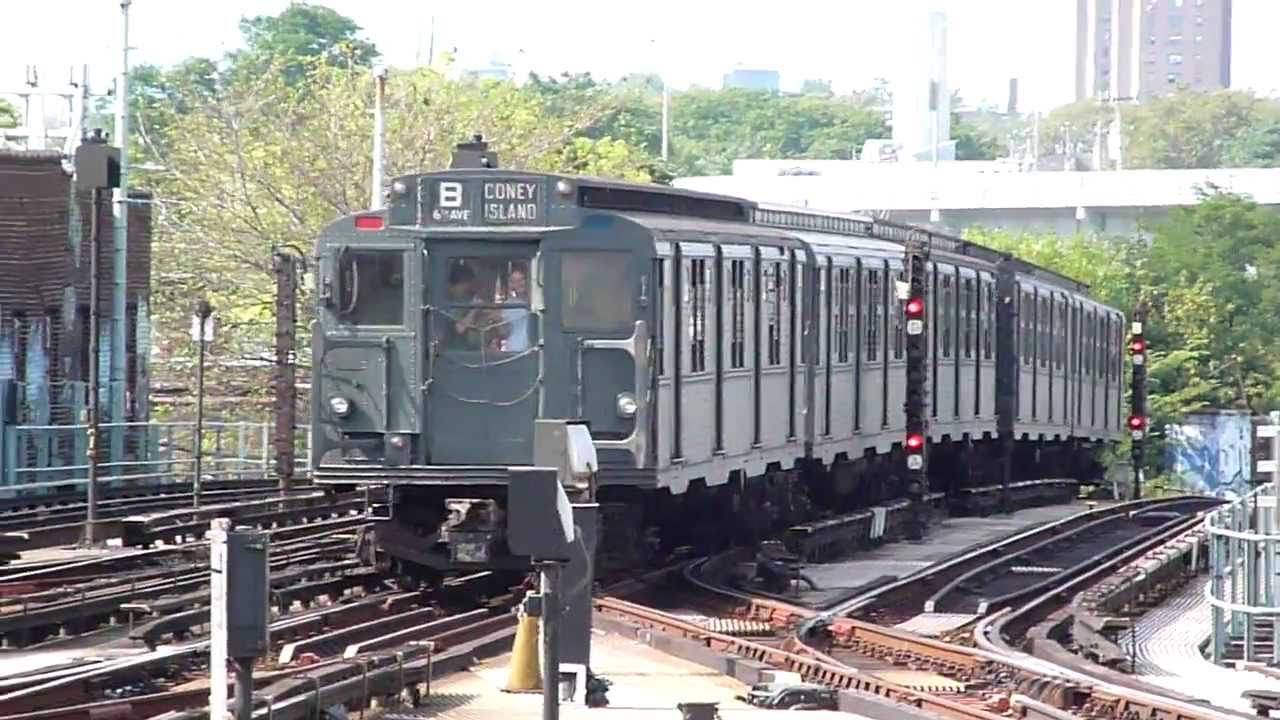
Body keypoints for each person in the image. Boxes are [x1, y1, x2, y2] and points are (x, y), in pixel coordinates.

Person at [501, 262, 532, 352]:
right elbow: (505, 332)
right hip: (514, 349)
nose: (518, 284)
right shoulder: (508, 304)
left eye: (521, 279)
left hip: (534, 350)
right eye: (513, 281)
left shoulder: (539, 300)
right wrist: (497, 320)